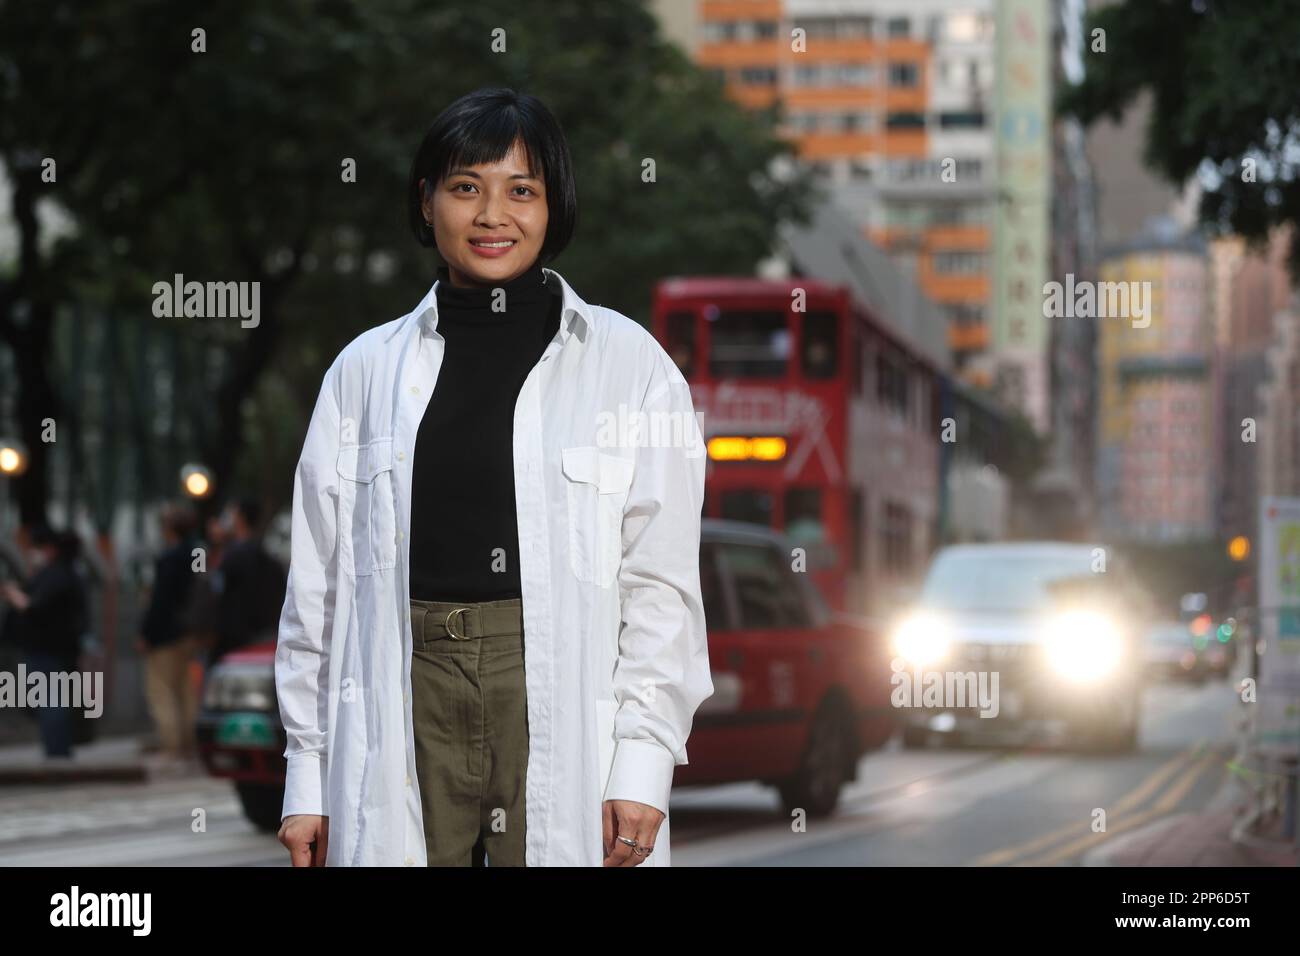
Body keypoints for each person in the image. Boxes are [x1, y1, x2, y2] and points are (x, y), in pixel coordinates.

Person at [275, 87, 713, 868]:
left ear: (555, 206)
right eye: (465, 187)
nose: (491, 215)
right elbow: (320, 589)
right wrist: (306, 776)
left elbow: (662, 586)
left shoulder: (630, 366)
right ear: (427, 200)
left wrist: (644, 762)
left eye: (522, 191)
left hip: (558, 689)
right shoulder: (363, 373)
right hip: (400, 688)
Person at [0, 524, 88, 759]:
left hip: (48, 649)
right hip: (53, 648)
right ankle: (57, 750)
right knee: (49, 698)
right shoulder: (61, 573)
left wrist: (11, 593)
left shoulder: (56, 575)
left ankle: (57, 751)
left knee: (50, 699)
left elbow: (34, 607)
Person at [137, 501, 202, 763]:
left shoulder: (169, 558)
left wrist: (146, 634)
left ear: (170, 528)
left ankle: (171, 745)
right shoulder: (197, 555)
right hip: (189, 633)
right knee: (186, 689)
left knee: (161, 690)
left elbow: (160, 601)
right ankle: (189, 743)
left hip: (165, 635)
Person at [210, 497, 286, 666]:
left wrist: (208, 545)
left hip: (232, 638)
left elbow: (202, 578)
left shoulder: (233, 555)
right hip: (258, 634)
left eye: (230, 513)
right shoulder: (266, 554)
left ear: (240, 518)